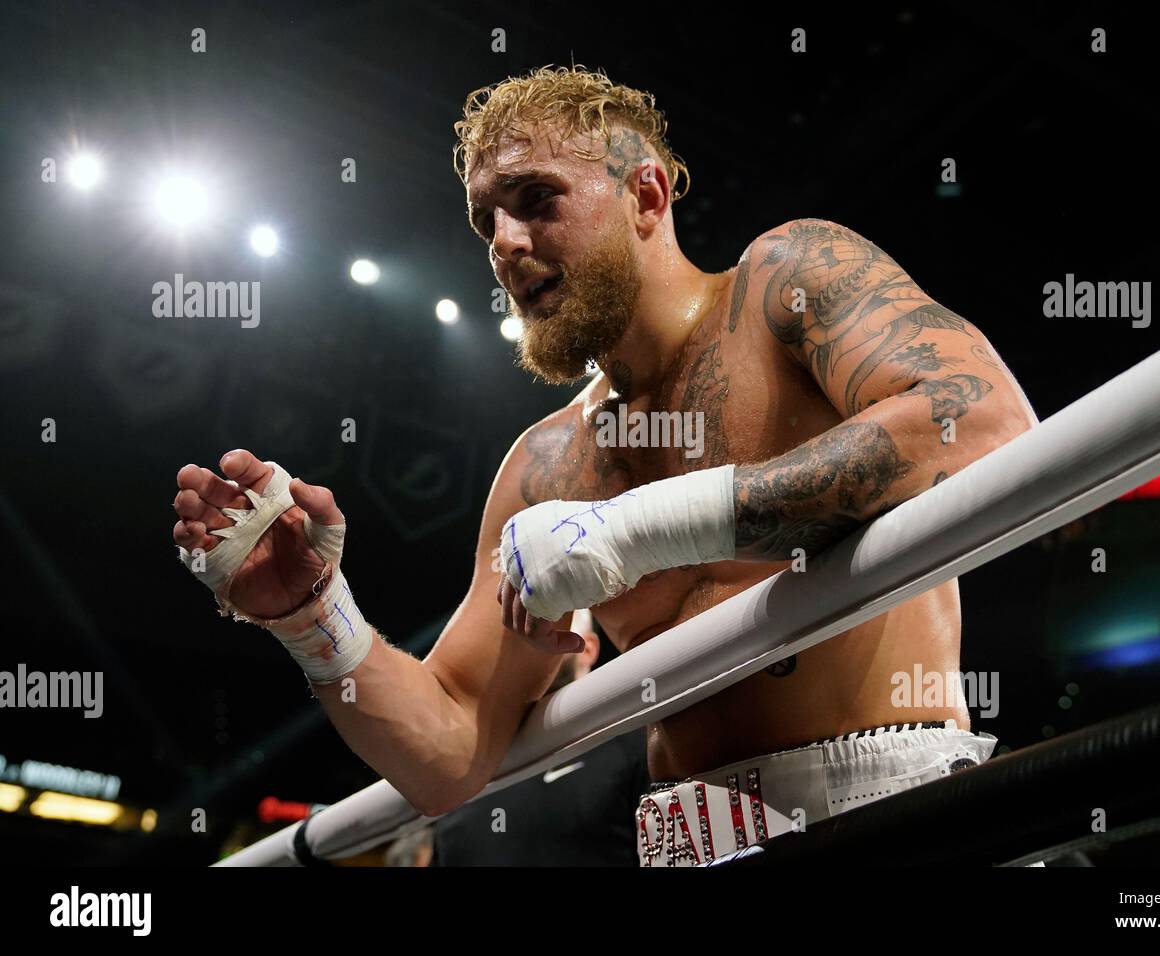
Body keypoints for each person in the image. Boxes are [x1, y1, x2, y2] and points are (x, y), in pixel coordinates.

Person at [171, 65, 1038, 866]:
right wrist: (312, 617)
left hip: (889, 800)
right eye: (486, 221)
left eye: (535, 198)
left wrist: (634, 530)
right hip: (687, 837)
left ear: (646, 194)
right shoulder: (547, 467)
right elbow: (452, 749)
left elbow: (985, 420)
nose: (506, 243)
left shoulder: (787, 280)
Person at [430, 610, 649, 866]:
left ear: (587, 649)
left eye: (553, 615)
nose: (533, 633)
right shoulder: (468, 777)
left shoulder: (630, 739)